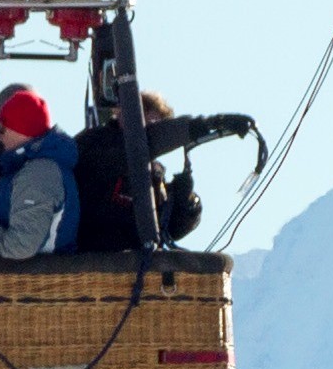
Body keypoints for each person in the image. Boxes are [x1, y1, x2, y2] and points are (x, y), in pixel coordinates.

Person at [73, 93, 262, 252]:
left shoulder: (153, 178)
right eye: (148, 124)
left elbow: (170, 229)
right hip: (90, 252)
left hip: (132, 265)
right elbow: (143, 143)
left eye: (156, 125)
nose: (150, 131)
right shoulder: (95, 144)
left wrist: (186, 204)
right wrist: (209, 124)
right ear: (123, 115)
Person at [0, 85, 79, 258]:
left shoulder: (39, 174)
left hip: (36, 277)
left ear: (20, 130)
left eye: (2, 130)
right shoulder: (30, 169)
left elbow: (22, 244)